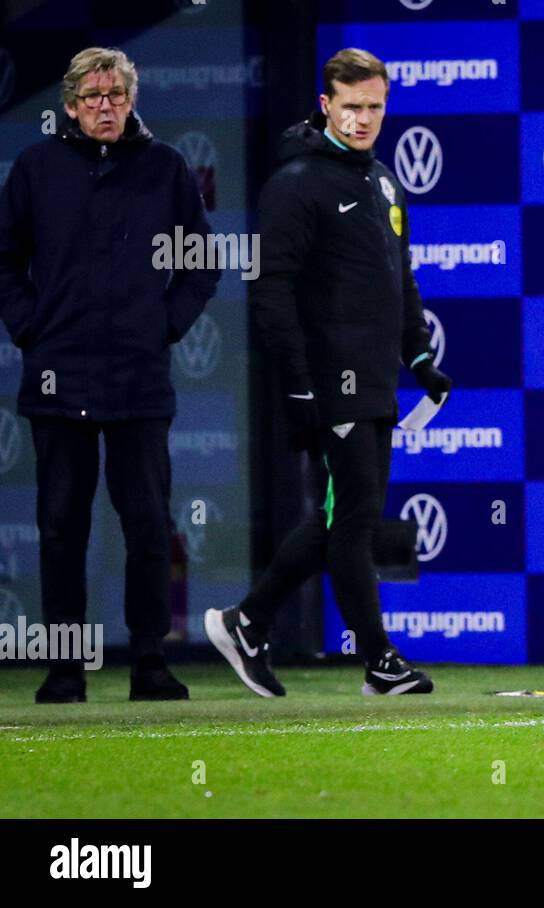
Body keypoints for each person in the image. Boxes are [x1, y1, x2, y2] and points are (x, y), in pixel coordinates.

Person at [203, 48, 451, 697]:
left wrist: (420, 357)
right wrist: (299, 383)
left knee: (348, 516)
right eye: (352, 107)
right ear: (326, 105)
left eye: (375, 107)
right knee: (356, 515)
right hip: (328, 377)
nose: (365, 119)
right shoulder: (296, 183)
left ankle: (247, 621)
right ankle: (378, 660)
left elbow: (401, 278)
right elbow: (270, 290)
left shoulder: (386, 180)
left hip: (373, 380)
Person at [0, 47, 218, 702]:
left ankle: (149, 661)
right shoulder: (37, 169)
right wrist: (30, 328)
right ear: (69, 104)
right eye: (92, 96)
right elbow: (5, 263)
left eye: (116, 95)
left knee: (149, 523)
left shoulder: (165, 168)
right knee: (62, 526)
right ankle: (66, 667)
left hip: (138, 378)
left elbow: (201, 261)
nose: (105, 106)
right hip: (56, 376)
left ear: (131, 100)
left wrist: (163, 326)